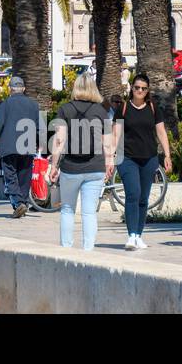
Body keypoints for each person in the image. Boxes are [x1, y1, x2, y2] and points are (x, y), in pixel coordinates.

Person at [49, 72, 112, 250]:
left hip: (70, 167)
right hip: (95, 167)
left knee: (67, 209)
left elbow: (59, 140)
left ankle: (66, 249)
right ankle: (88, 250)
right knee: (89, 212)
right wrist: (109, 163)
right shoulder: (101, 111)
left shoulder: (65, 109)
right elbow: (107, 142)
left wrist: (54, 165)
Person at [113, 72, 172, 250]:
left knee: (143, 198)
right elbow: (115, 134)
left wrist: (167, 155)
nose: (140, 90)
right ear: (132, 88)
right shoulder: (123, 108)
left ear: (147, 91)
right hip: (127, 158)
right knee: (133, 193)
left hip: (149, 158)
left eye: (144, 88)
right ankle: (131, 235)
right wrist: (109, 157)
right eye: (137, 87)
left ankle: (139, 235)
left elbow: (161, 132)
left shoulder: (153, 108)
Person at [0, 76, 40, 217]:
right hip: (27, 146)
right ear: (23, 89)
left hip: (8, 146)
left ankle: (18, 203)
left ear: (10, 89)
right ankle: (23, 202)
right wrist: (40, 143)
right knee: (24, 176)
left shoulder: (5, 104)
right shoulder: (34, 105)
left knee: (10, 176)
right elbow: (39, 127)